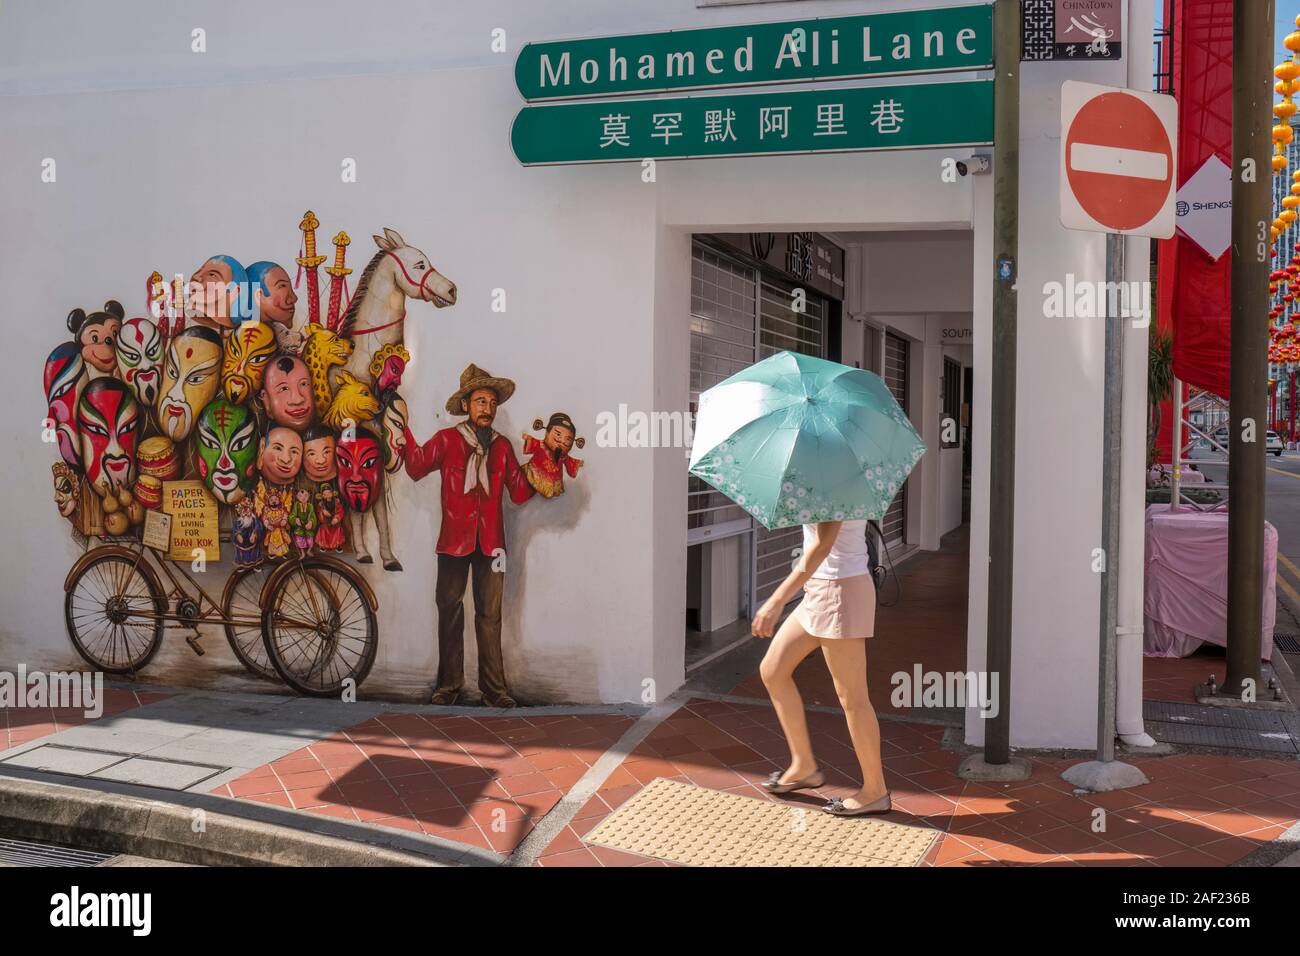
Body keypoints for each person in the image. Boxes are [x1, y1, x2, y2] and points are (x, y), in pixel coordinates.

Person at [403, 364, 535, 708]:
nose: (487, 409)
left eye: (491, 402)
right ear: (466, 406)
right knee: (449, 610)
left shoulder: (503, 447)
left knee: (490, 616)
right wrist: (400, 431)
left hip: (492, 544)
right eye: (480, 401)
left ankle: (495, 690)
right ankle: (448, 686)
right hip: (453, 542)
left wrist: (547, 461)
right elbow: (416, 467)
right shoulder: (447, 441)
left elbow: (519, 493)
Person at [751, 519, 890, 816]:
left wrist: (775, 602)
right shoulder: (821, 481)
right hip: (820, 589)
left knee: (852, 699)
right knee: (773, 670)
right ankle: (804, 767)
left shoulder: (832, 483)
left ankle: (875, 791)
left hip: (841, 590)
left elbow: (822, 545)